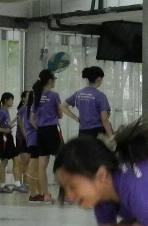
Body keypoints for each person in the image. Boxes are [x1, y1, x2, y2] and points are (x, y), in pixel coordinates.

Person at [30, 70, 63, 203]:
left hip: (41, 131)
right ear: (50, 81)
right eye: (54, 79)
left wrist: (40, 127)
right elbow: (60, 114)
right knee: (62, 161)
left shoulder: (36, 96)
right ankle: (66, 194)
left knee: (42, 165)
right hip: (53, 130)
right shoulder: (54, 95)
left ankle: (46, 194)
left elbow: (32, 119)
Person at [61, 66, 114, 139]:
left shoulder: (78, 93)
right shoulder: (100, 96)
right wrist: (111, 136)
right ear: (99, 79)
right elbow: (104, 119)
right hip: (97, 133)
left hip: (83, 132)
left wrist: (76, 118)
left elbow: (62, 106)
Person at [0, 92, 18, 192]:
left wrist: (14, 120)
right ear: (5, 100)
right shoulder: (1, 112)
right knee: (4, 161)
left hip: (9, 137)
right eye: (11, 100)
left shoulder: (6, 112)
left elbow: (7, 125)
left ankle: (17, 183)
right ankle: (2, 185)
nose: (12, 102)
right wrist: (5, 131)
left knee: (16, 159)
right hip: (3, 138)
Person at [12, 91, 32, 194]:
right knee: (23, 161)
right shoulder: (22, 109)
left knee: (28, 161)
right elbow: (21, 124)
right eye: (28, 96)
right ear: (23, 98)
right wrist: (26, 137)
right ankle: (18, 183)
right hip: (22, 138)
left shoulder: (31, 109)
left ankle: (25, 183)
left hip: (29, 137)